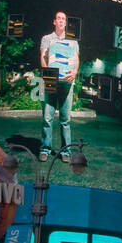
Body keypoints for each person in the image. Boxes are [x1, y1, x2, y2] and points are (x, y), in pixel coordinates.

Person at [38, 11, 79, 160]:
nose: (61, 21)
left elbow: (75, 59)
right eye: (58, 18)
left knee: (65, 119)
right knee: (47, 118)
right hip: (50, 80)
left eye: (63, 19)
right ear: (54, 22)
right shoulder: (47, 39)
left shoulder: (72, 41)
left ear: (66, 23)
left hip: (67, 82)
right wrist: (47, 73)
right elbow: (43, 57)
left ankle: (65, 152)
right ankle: (45, 149)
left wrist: (74, 72)